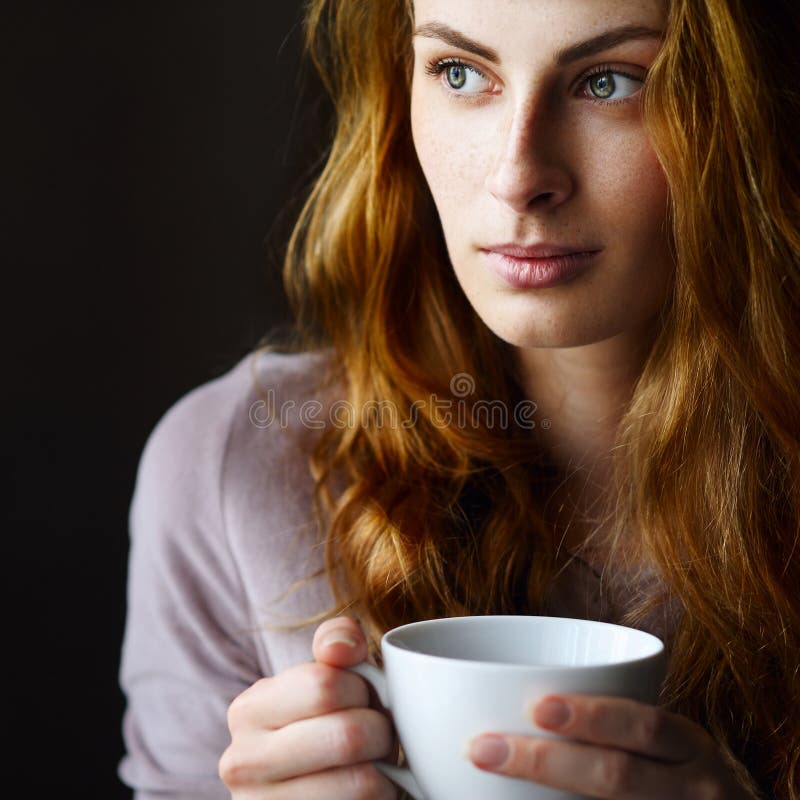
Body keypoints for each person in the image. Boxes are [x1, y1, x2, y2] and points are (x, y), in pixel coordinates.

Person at [118, 0, 799, 798]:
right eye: (460, 72)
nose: (518, 177)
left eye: (609, 82)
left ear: (751, 104)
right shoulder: (240, 465)